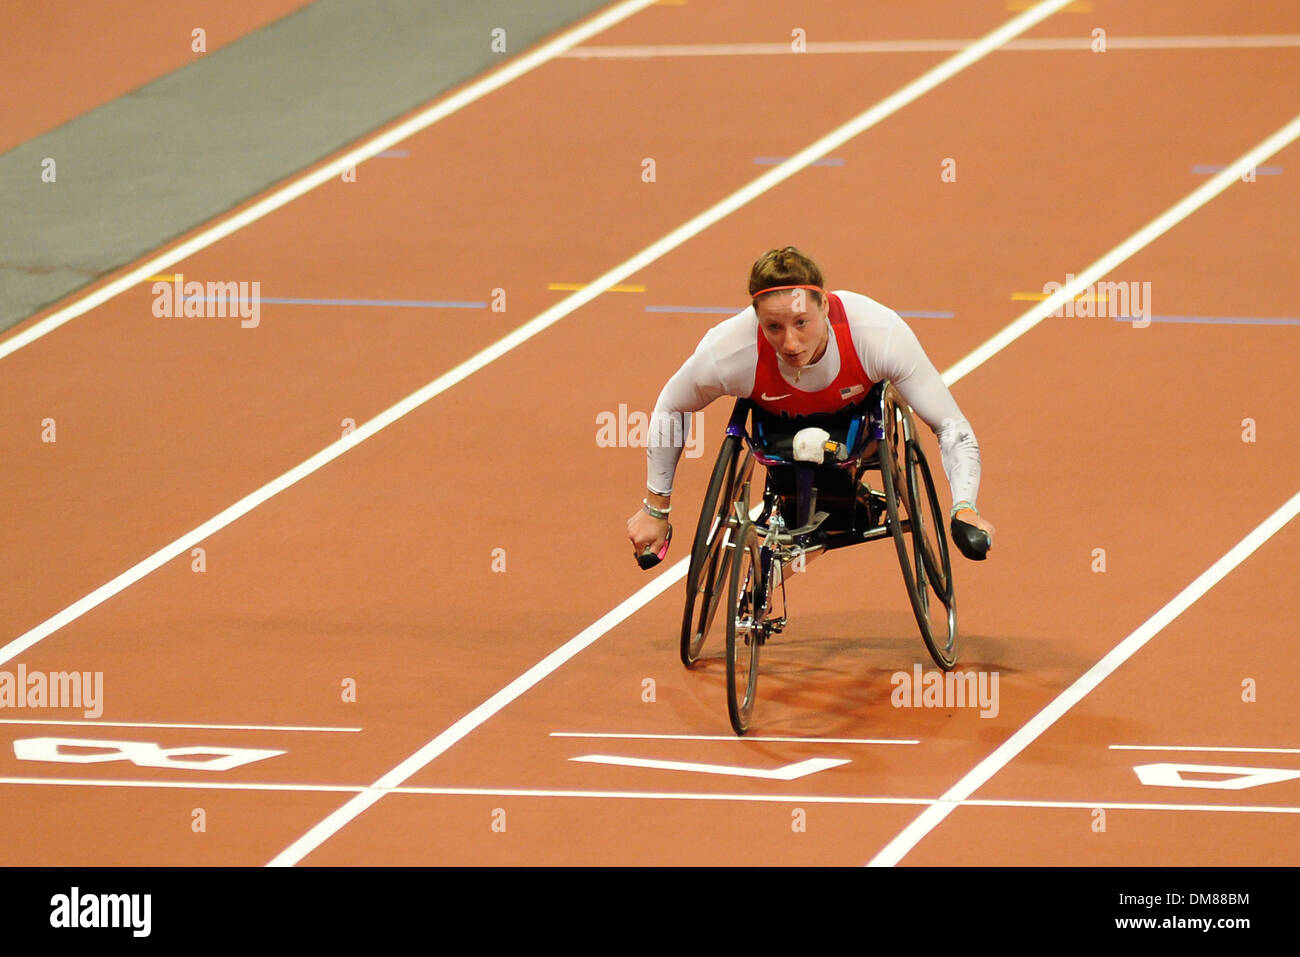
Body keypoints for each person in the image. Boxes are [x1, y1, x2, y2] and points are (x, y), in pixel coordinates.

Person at [626, 246, 995, 563]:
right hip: (774, 428)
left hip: (857, 425)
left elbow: (950, 425)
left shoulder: (877, 333)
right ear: (757, 319)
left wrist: (965, 506)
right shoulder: (730, 352)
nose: (790, 343)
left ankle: (852, 500)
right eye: (774, 327)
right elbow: (672, 405)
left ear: (826, 306)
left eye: (802, 322)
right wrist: (655, 508)